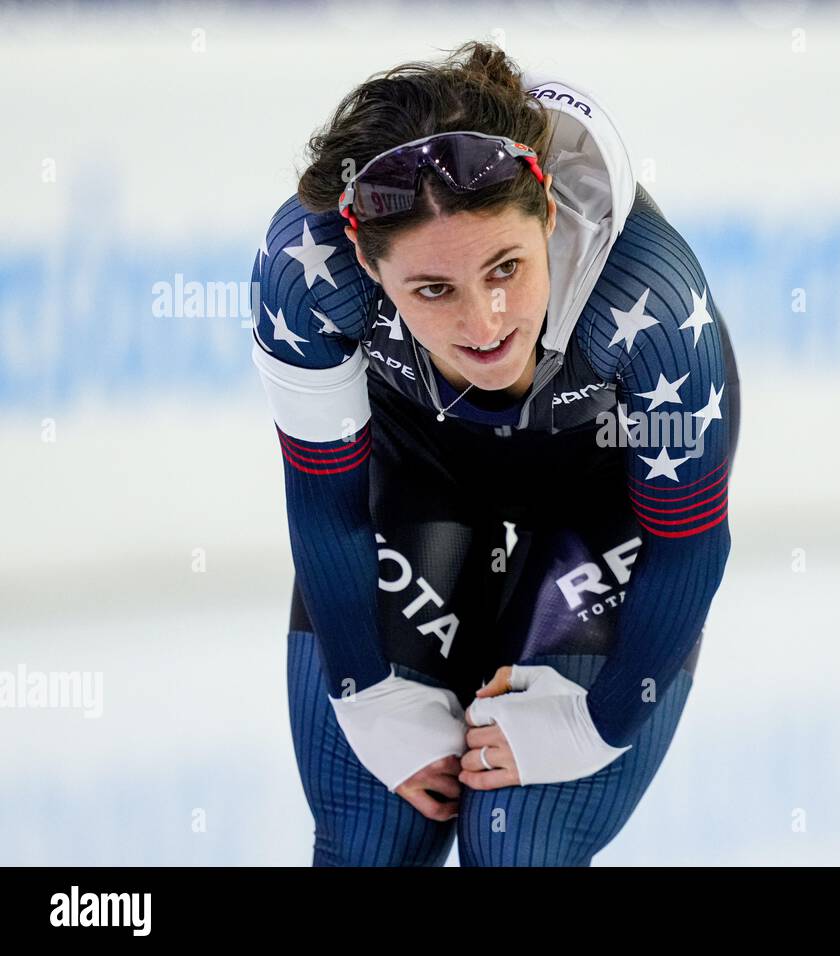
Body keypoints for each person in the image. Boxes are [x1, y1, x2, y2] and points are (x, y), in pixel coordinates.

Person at [250, 40, 740, 866]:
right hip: (422, 471)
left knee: (519, 843)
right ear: (368, 263)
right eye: (432, 291)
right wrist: (367, 694)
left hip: (603, 490)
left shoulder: (653, 305)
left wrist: (596, 725)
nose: (486, 325)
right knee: (372, 838)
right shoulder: (309, 273)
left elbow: (688, 545)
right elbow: (325, 500)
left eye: (507, 267)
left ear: (550, 215)